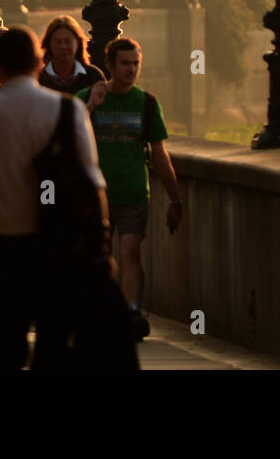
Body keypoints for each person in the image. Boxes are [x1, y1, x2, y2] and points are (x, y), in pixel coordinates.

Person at [0, 27, 119, 370]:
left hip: (3, 251)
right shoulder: (69, 111)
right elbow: (93, 183)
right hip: (58, 250)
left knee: (3, 349)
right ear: (39, 62)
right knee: (54, 346)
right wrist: (102, 246)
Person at [79, 37, 183, 341]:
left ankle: (133, 310)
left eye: (136, 63)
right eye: (124, 64)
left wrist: (175, 198)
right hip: (95, 194)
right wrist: (90, 106)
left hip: (134, 192)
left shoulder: (146, 103)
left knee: (130, 251)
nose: (131, 69)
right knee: (99, 257)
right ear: (109, 66)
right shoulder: (87, 97)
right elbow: (71, 137)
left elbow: (160, 154)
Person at [38, 15, 105, 96]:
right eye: (58, 42)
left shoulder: (93, 76)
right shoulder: (38, 77)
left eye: (67, 41)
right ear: (48, 44)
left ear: (78, 43)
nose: (63, 47)